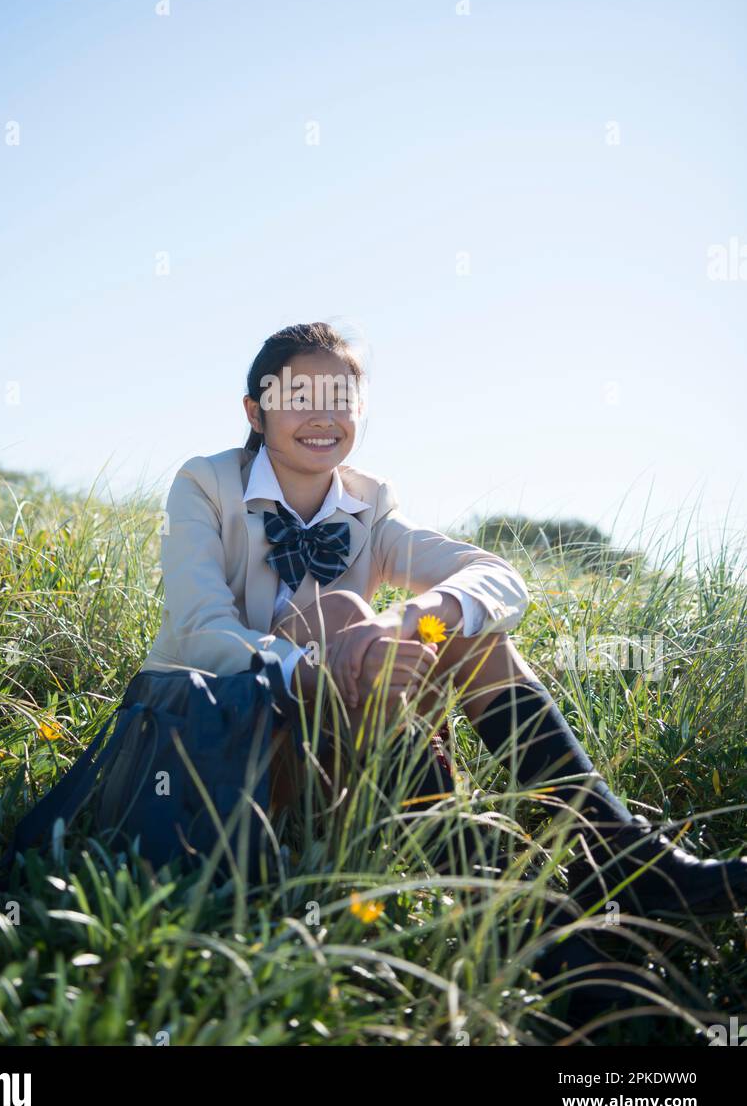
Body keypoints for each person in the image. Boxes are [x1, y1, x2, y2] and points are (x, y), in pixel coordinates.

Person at [141, 320, 747, 926]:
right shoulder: (205, 484)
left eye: (342, 400)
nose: (323, 417)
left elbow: (497, 576)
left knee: (461, 627)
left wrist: (413, 617)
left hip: (344, 754)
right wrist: (325, 660)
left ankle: (620, 851)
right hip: (220, 751)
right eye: (298, 398)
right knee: (343, 614)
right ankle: (503, 904)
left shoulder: (369, 502)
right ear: (255, 412)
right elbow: (201, 632)